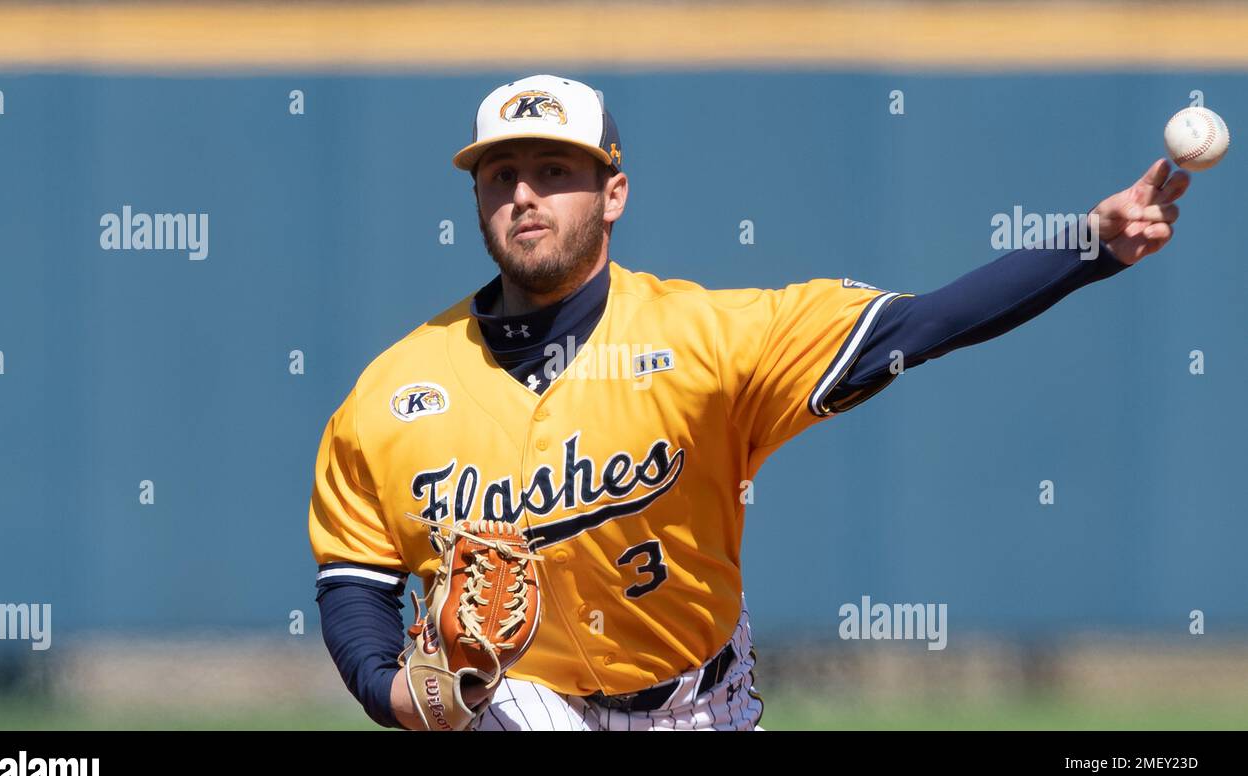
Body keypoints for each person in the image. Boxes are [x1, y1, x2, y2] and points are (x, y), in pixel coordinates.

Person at [309, 74, 1187, 731]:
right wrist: (397, 693)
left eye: (553, 169)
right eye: (500, 174)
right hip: (512, 702)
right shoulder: (393, 392)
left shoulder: (708, 338)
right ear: (475, 197)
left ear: (615, 192)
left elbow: (922, 325)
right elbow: (354, 578)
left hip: (699, 702)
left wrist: (1086, 249)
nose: (525, 194)